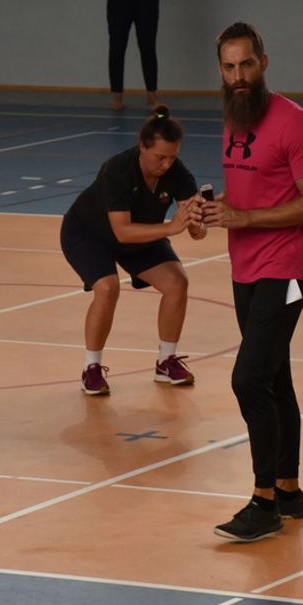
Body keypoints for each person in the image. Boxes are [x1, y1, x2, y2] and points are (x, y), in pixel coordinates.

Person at [201, 22, 303, 542]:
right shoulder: (234, 118)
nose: (238, 76)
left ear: (264, 63)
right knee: (275, 378)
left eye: (246, 65)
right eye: (229, 67)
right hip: (245, 267)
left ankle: (264, 503)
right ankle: (289, 491)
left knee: (248, 379)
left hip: (287, 269)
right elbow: (245, 198)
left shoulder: (295, 123)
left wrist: (246, 218)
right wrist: (212, 211)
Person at [61, 105, 205, 395]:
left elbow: (198, 232)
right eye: (160, 157)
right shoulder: (117, 170)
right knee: (107, 287)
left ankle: (166, 362)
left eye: (172, 157)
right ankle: (92, 368)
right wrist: (172, 227)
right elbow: (122, 231)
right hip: (89, 234)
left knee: (177, 283)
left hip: (141, 234)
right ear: (142, 147)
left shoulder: (178, 173)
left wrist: (198, 221)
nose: (166, 164)